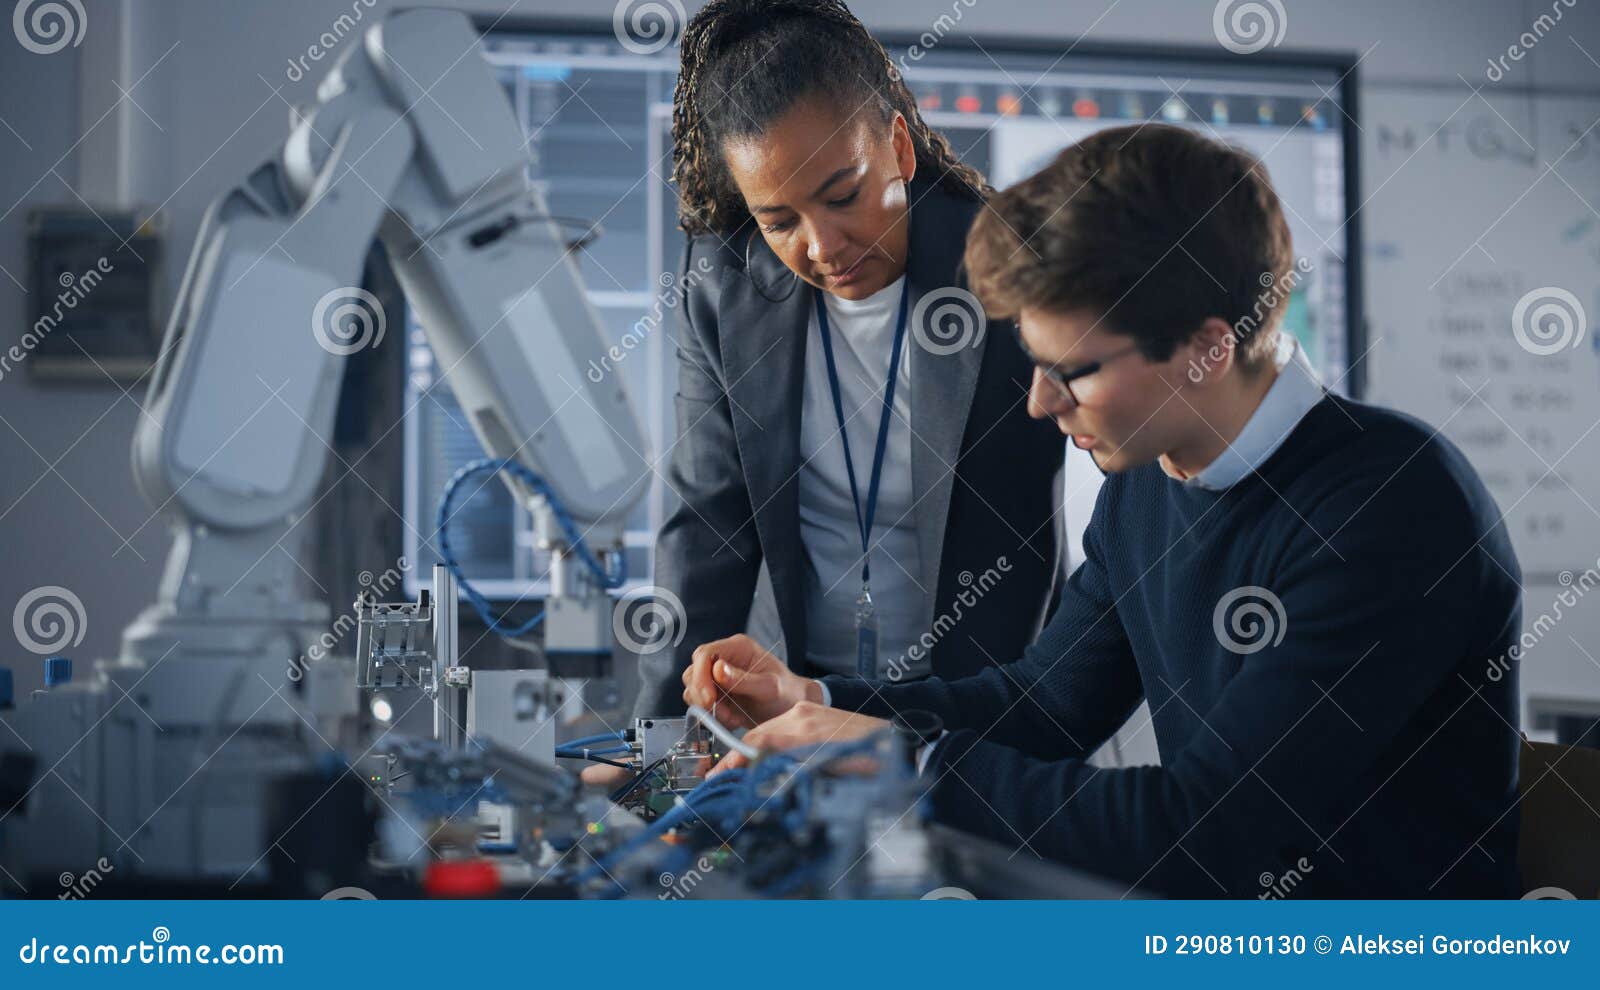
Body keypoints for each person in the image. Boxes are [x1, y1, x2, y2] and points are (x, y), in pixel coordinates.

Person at [681, 124, 1524, 898]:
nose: (1039, 404)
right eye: (1036, 363)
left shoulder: (1395, 509)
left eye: (1073, 372)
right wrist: (814, 699)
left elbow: (1206, 831)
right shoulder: (1149, 479)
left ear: (1206, 348)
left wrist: (900, 764)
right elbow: (1046, 706)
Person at [626, 3, 1066, 725]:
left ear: (898, 147)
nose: (822, 246)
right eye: (779, 222)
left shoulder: (1003, 268)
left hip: (980, 695)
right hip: (795, 695)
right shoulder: (722, 282)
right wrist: (657, 740)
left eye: (843, 196)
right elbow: (707, 522)